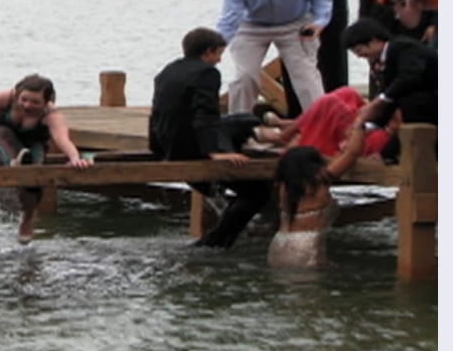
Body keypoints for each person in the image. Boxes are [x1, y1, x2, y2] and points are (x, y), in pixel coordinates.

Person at [149, 27, 274, 250]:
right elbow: (204, 114)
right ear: (207, 52)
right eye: (218, 54)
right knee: (258, 192)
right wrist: (215, 152)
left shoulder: (168, 71)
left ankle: (226, 210)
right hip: (192, 145)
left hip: (170, 143)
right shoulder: (207, 73)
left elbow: (156, 113)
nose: (219, 60)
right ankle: (216, 240)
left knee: (244, 119)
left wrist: (158, 150)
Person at [0, 74, 93, 242]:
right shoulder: (4, 99)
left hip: (30, 144)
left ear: (47, 101)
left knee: (36, 171)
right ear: (16, 95)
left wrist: (74, 158)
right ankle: (15, 164)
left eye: (35, 102)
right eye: (24, 100)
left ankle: (27, 218)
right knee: (1, 135)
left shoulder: (52, 115)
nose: (27, 105)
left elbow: (62, 138)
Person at [216, 0, 332, 116]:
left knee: (306, 76)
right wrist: (217, 46)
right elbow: (230, 18)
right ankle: (239, 124)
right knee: (244, 77)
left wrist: (320, 22)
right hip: (251, 27)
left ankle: (321, 123)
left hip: (295, 24)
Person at [267, 125, 368, 269]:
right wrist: (360, 126)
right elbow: (352, 153)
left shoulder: (283, 187)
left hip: (278, 246)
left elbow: (290, 158)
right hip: (305, 248)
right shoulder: (320, 182)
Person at [342, 18, 438, 162]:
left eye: (359, 50)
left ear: (374, 41)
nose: (359, 56)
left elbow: (409, 78)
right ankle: (387, 154)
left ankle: (391, 155)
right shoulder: (383, 63)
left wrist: (377, 102)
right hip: (421, 103)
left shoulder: (403, 47)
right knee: (402, 104)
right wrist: (365, 125)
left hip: (429, 101)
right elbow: (391, 100)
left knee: (410, 104)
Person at [253, 85, 394, 158]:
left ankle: (286, 132)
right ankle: (289, 127)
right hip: (369, 123)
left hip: (368, 133)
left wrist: (363, 120)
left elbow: (394, 126)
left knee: (330, 103)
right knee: (347, 93)